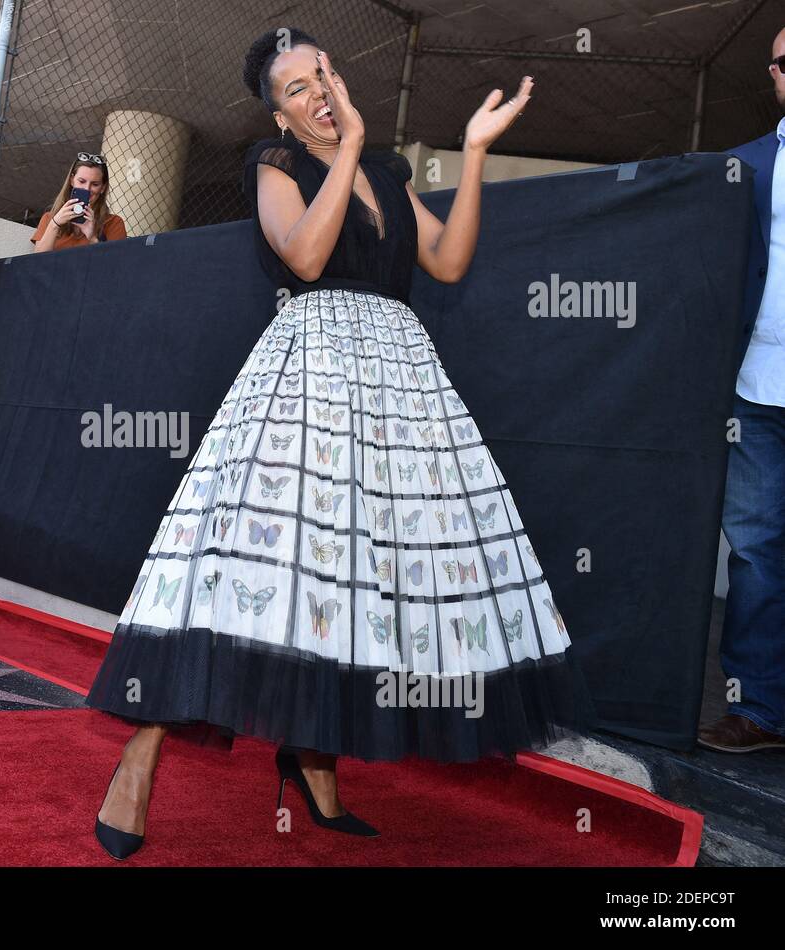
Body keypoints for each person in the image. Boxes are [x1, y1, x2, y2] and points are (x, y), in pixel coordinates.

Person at [84, 29, 595, 860]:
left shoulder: (390, 175)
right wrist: (350, 145)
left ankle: (313, 756)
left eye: (322, 73)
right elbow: (308, 255)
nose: (316, 91)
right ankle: (137, 762)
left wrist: (469, 156)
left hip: (401, 382)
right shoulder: (274, 165)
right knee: (245, 570)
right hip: (311, 371)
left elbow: (449, 261)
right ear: (279, 114)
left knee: (366, 575)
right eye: (295, 87)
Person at [698, 26, 785, 754]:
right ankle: (759, 709)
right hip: (756, 393)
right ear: (775, 75)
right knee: (755, 551)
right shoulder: (742, 169)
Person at [30, 152, 127, 252]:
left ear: (102, 188)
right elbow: (38, 260)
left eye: (95, 184)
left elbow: (115, 265)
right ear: (72, 180)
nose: (87, 189)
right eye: (81, 181)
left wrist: (93, 237)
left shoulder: (113, 223)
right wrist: (55, 224)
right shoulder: (49, 218)